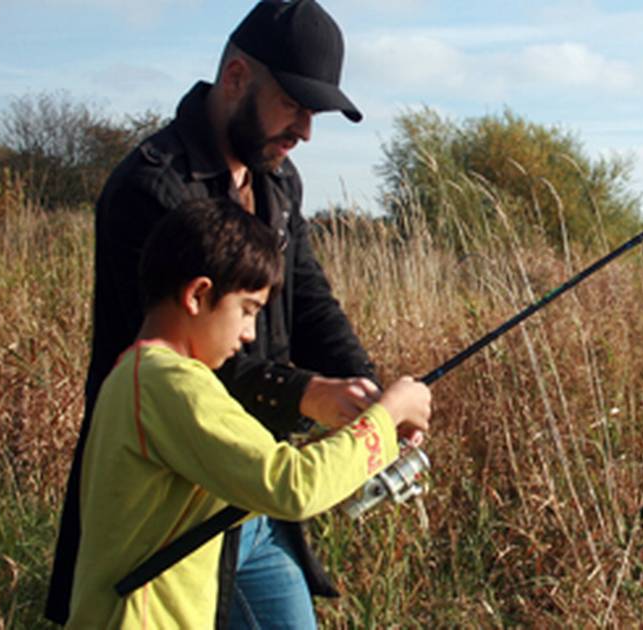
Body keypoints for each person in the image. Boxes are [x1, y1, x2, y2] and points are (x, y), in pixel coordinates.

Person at [46, 1, 392, 627]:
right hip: (173, 503)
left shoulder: (279, 183)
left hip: (251, 502)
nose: (305, 131)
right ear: (236, 77)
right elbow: (177, 360)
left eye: (314, 113)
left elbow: (311, 302)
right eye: (293, 104)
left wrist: (370, 391)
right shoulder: (150, 188)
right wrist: (311, 394)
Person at [65, 199, 432, 628]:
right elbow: (292, 486)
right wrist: (386, 418)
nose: (248, 334)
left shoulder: (137, 373)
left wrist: (340, 435)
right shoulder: (173, 384)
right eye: (247, 310)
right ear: (198, 294)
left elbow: (253, 469)